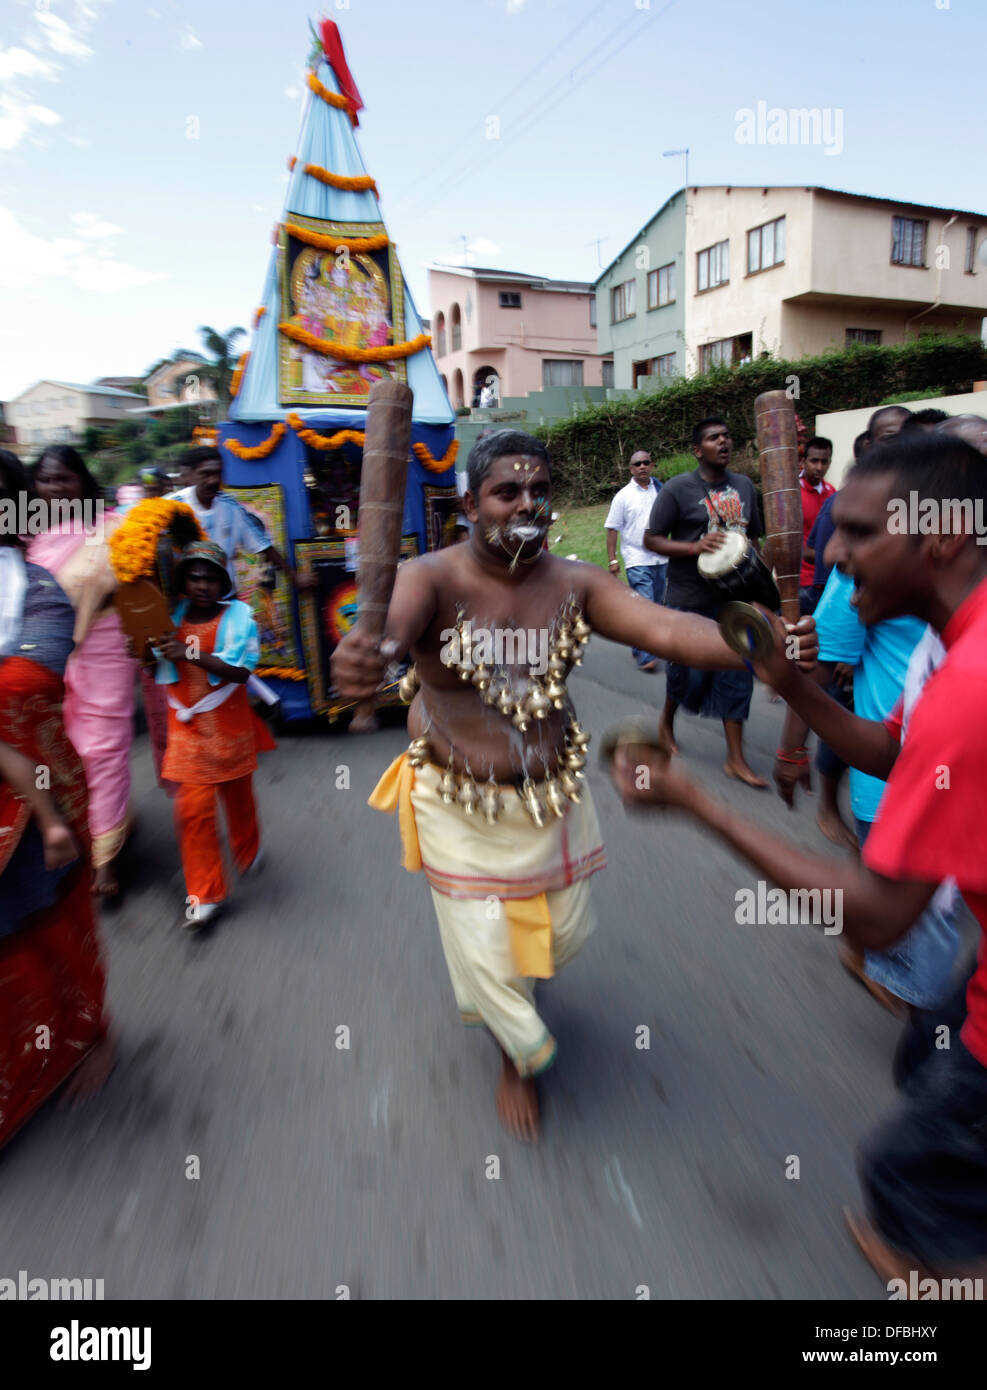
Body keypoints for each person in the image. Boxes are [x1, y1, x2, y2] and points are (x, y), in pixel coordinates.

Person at [331, 429, 817, 1141]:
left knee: (555, 939)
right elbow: (385, 632)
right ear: (469, 504)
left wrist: (759, 644)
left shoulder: (576, 582)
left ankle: (521, 1002)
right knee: (489, 951)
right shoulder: (427, 579)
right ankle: (516, 1058)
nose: (526, 504)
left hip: (551, 796)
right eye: (506, 492)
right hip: (459, 807)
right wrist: (363, 658)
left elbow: (668, 630)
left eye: (538, 491)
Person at [611, 431, 987, 1293]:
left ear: (939, 536)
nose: (832, 551)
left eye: (857, 532)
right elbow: (893, 752)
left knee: (903, 1163)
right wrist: (789, 683)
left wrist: (697, 804)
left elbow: (878, 914)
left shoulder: (969, 687)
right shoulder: (949, 645)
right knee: (922, 1054)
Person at [776, 563, 960, 1017]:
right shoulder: (858, 567)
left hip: (961, 785)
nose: (838, 547)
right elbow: (812, 672)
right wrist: (790, 751)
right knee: (919, 932)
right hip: (891, 788)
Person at [0, 450, 112, 1146]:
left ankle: (92, 1034)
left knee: (44, 924)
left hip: (32, 796)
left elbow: (29, 687)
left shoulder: (36, 590)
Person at [27, 446, 136, 898]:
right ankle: (73, 831)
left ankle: (104, 858)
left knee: (105, 750)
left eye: (65, 479)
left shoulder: (112, 526)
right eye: (47, 480)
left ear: (82, 483)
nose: (55, 488)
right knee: (58, 749)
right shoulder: (25, 535)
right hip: (45, 654)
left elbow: (136, 584)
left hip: (106, 646)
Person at [644, 417, 767, 788]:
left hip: (734, 599)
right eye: (714, 437)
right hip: (688, 597)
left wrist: (760, 588)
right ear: (698, 450)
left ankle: (735, 758)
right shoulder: (678, 489)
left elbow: (753, 539)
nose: (723, 441)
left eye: (727, 435)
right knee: (686, 673)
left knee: (737, 673)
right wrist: (694, 547)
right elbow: (652, 539)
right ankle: (666, 722)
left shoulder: (745, 486)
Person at [155, 542, 268, 929]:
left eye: (210, 577)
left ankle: (248, 849)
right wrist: (140, 649)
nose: (202, 584)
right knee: (192, 811)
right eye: (194, 576)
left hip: (230, 728)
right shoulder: (170, 617)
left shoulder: (241, 618)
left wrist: (187, 654)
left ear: (224, 582)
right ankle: (204, 894)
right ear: (183, 581)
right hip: (186, 731)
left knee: (238, 799)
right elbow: (153, 659)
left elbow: (241, 672)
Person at [168, 447, 314, 591]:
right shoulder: (171, 507)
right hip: (186, 600)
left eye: (218, 474)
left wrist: (294, 576)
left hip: (224, 598)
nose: (213, 480)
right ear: (189, 475)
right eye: (206, 473)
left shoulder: (230, 506)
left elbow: (262, 545)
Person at [604, 450, 667, 672]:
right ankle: (645, 654)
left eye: (646, 462)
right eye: (637, 464)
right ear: (631, 469)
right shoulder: (623, 496)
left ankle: (637, 643)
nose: (642, 466)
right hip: (636, 558)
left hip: (661, 559)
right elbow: (612, 529)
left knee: (657, 606)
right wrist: (612, 560)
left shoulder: (661, 491)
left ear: (652, 465)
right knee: (645, 607)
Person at [798, 436, 835, 615]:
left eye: (824, 462)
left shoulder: (832, 493)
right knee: (798, 638)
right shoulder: (792, 494)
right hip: (803, 582)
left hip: (828, 581)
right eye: (814, 461)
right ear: (803, 461)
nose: (819, 467)